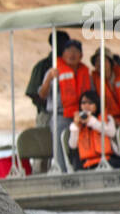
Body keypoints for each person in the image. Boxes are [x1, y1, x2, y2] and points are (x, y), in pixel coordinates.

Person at [37, 36, 91, 172]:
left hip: (81, 117)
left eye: (75, 51)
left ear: (81, 55)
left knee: (79, 149)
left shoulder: (85, 73)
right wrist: (49, 79)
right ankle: (61, 173)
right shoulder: (53, 72)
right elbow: (42, 95)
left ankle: (80, 172)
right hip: (60, 116)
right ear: (63, 53)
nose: (72, 54)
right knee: (60, 150)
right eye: (69, 50)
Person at [68, 89, 120, 170]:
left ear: (97, 104)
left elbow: (112, 132)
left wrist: (91, 121)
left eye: (90, 103)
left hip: (107, 160)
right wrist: (75, 126)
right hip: (87, 164)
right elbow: (72, 145)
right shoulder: (77, 124)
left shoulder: (107, 118)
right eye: (83, 103)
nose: (86, 106)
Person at [25, 30, 67, 127]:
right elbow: (33, 93)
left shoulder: (69, 65)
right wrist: (50, 103)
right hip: (47, 115)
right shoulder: (43, 66)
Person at [90, 46, 120, 123]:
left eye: (103, 60)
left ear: (110, 62)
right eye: (97, 61)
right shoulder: (92, 80)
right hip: (108, 120)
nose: (100, 63)